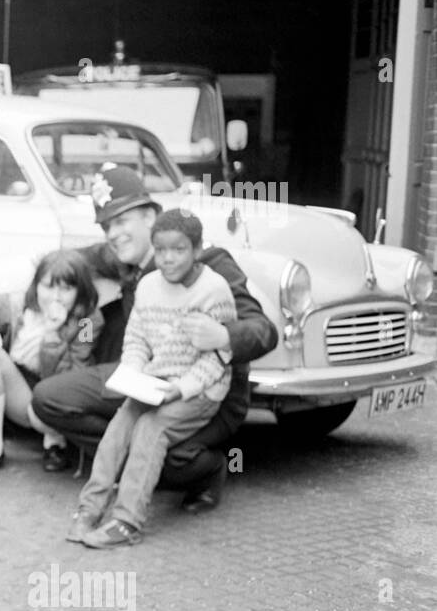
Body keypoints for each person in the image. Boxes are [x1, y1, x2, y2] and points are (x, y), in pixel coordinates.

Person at [29, 165, 278, 509]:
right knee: (48, 399)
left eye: (120, 222)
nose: (112, 234)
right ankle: (129, 461)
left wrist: (222, 334)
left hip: (205, 395)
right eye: (106, 226)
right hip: (147, 380)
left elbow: (264, 331)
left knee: (171, 456)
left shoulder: (210, 263)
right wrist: (36, 292)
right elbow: (81, 257)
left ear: (150, 217)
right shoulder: (123, 253)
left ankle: (208, 469)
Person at [70, 209, 236, 547]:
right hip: (155, 383)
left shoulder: (214, 290)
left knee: (151, 430)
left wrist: (182, 388)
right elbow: (137, 339)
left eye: (178, 250)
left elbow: (220, 356)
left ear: (197, 249)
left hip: (199, 389)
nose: (168, 258)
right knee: (118, 429)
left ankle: (127, 522)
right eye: (160, 250)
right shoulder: (148, 286)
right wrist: (132, 374)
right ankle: (89, 509)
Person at [0, 249, 103, 476]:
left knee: (57, 390)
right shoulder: (12, 305)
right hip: (16, 389)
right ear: (36, 285)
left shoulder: (88, 322)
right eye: (48, 286)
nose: (55, 297)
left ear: (80, 290)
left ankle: (54, 444)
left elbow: (77, 375)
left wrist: (53, 337)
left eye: (66, 288)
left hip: (53, 402)